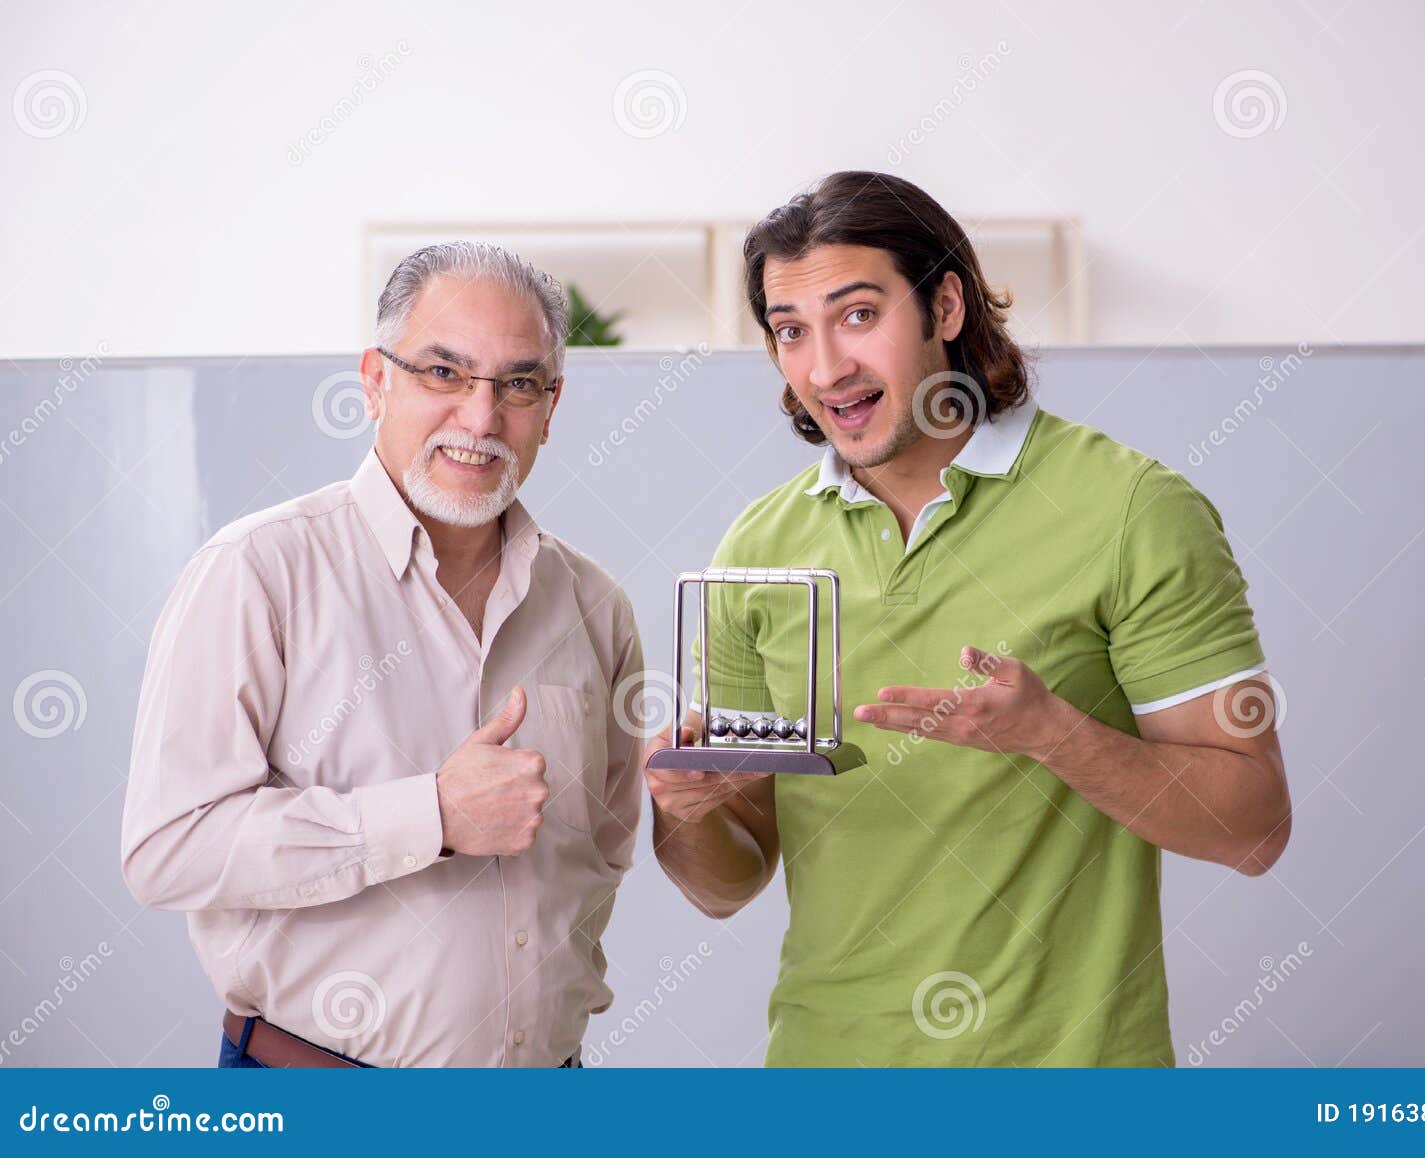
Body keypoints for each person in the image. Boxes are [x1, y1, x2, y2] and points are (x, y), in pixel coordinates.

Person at [647, 171, 1291, 1066]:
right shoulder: (757, 547)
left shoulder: (1133, 509)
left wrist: (1055, 735)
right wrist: (684, 812)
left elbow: (1254, 827)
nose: (826, 367)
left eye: (859, 315)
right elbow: (728, 881)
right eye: (791, 331)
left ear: (945, 305)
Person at [122, 241, 642, 1067]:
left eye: (517, 383)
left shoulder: (595, 605)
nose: (480, 418)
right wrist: (429, 815)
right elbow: (169, 849)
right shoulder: (258, 571)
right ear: (375, 382)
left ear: (551, 406)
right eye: (444, 372)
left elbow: (600, 858)